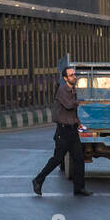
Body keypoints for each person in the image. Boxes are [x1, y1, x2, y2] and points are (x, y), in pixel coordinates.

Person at [32, 64, 91, 197]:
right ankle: (38, 180)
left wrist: (79, 123)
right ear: (65, 78)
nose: (74, 77)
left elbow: (73, 112)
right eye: (71, 75)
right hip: (63, 132)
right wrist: (80, 101)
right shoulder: (62, 90)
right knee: (57, 159)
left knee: (79, 159)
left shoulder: (73, 90)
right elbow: (69, 105)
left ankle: (79, 188)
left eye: (75, 75)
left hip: (73, 131)